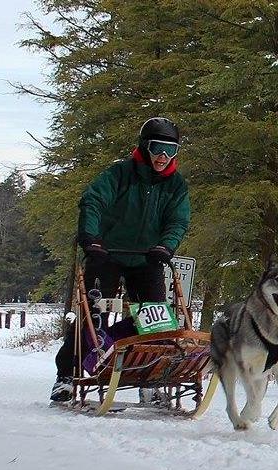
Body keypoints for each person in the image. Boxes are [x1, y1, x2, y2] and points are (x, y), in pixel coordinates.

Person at [50, 117, 191, 401]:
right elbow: (93, 201)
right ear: (144, 147)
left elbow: (178, 220)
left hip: (148, 258)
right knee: (94, 314)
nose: (163, 156)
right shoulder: (119, 174)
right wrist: (90, 237)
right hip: (107, 254)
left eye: (170, 150)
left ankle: (150, 379)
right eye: (157, 148)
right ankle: (66, 374)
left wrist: (166, 246)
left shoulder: (175, 186)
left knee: (155, 318)